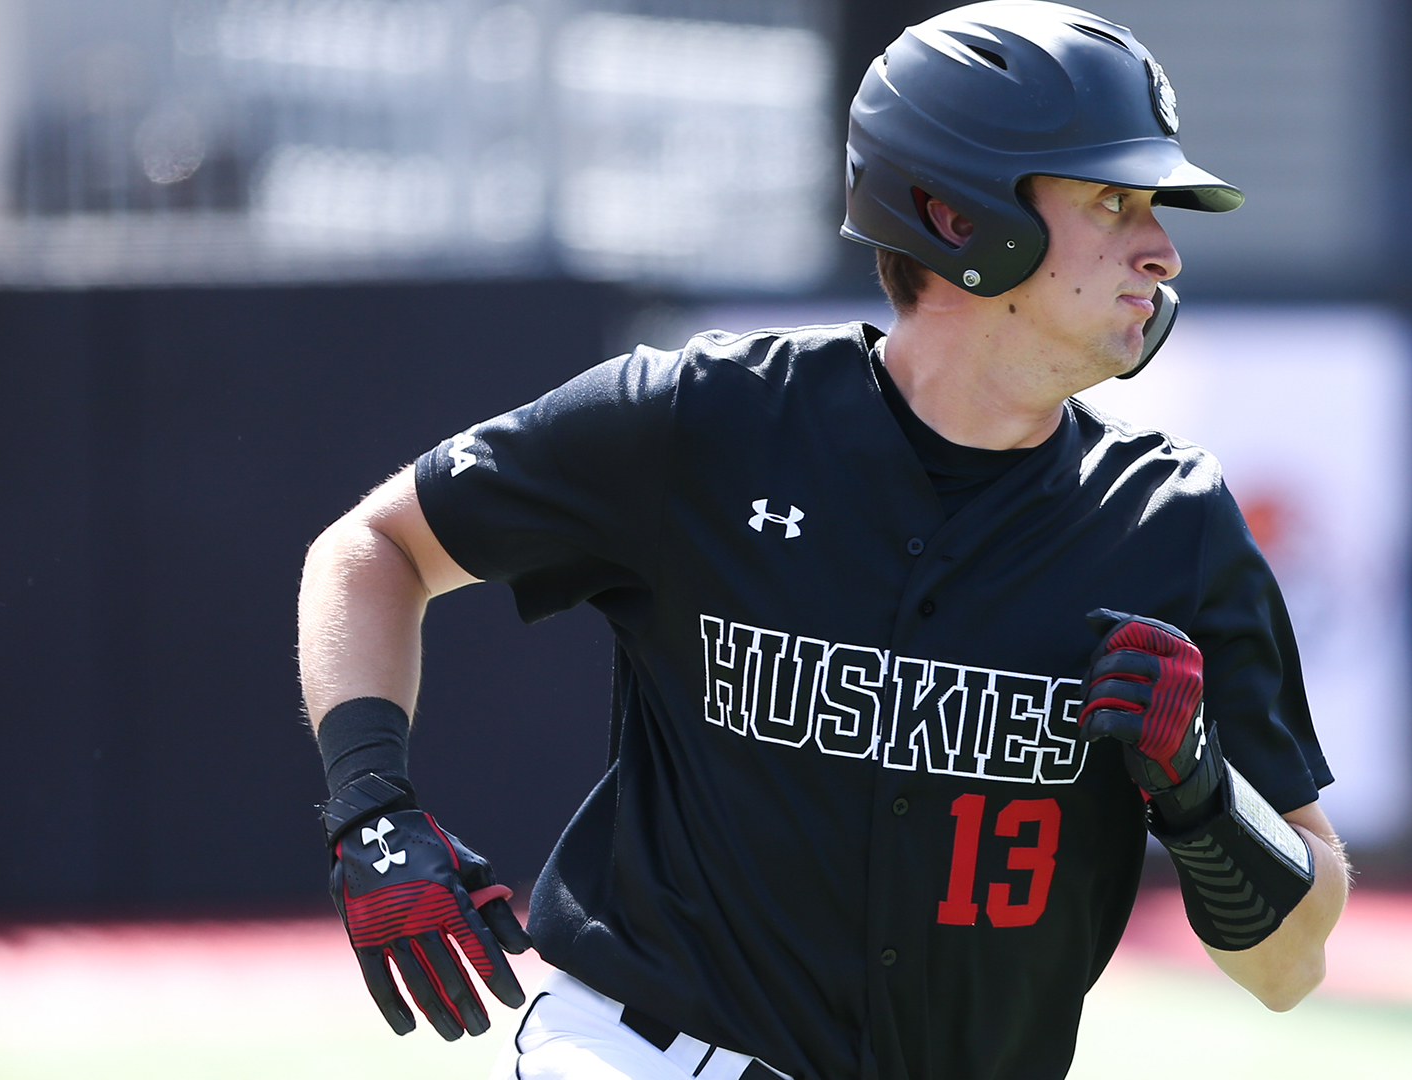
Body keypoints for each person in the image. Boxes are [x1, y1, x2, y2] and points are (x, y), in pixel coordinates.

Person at [297, 5, 1348, 1079]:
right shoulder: (708, 418)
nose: (1163, 249)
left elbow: (1290, 969)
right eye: (1114, 201)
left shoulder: (1174, 525)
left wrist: (1205, 791)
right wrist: (371, 811)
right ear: (956, 216)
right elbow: (372, 548)